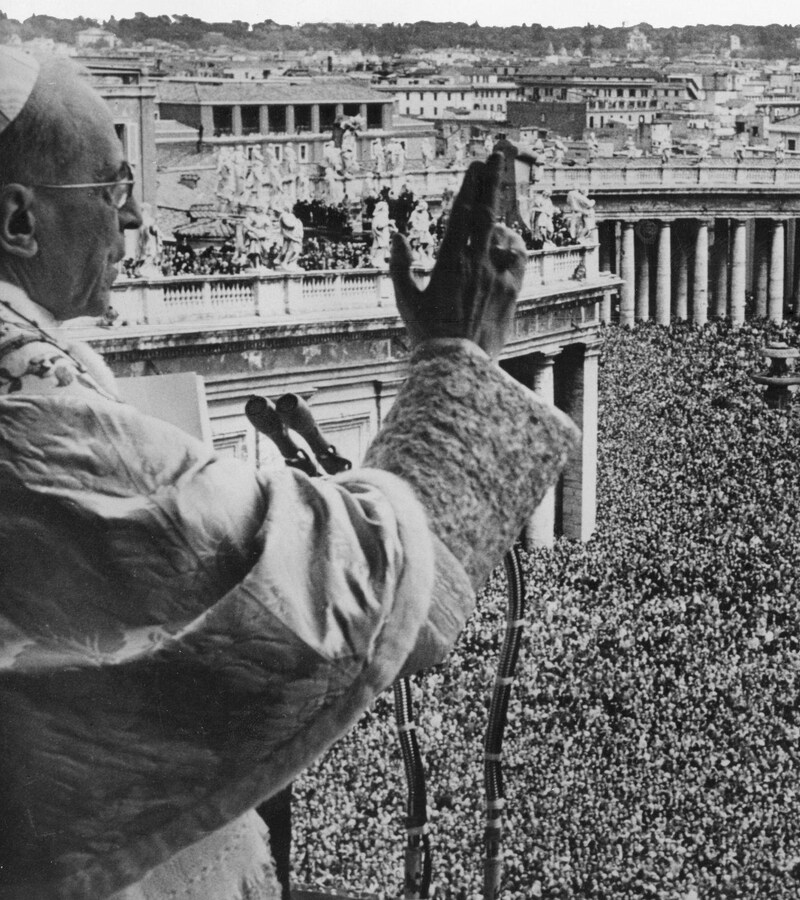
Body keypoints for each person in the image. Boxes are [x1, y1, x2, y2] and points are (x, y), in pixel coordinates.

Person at [0, 50, 579, 900]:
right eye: (113, 190)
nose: (135, 223)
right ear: (19, 221)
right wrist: (458, 361)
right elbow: (328, 588)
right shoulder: (24, 395)